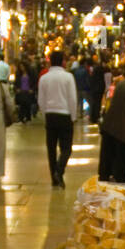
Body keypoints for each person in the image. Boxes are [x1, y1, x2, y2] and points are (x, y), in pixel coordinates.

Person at [37, 49, 78, 188]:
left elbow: (40, 100)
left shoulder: (44, 78)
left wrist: (45, 114)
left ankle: (54, 178)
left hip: (50, 115)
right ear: (63, 62)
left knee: (51, 148)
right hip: (65, 115)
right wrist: (73, 116)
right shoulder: (68, 77)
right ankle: (59, 171)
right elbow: (72, 98)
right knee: (66, 148)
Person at [15, 59, 35, 124]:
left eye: (23, 66)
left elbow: (34, 82)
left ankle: (27, 117)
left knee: (27, 104)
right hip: (21, 91)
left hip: (28, 91)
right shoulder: (18, 74)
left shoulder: (31, 74)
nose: (22, 68)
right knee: (22, 104)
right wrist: (17, 89)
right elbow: (16, 83)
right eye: (20, 67)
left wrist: (32, 89)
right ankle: (22, 117)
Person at [88, 57, 106, 126]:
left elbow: (91, 82)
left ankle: (93, 117)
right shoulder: (101, 76)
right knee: (98, 103)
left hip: (94, 90)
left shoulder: (94, 75)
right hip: (99, 90)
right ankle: (96, 116)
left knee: (94, 103)